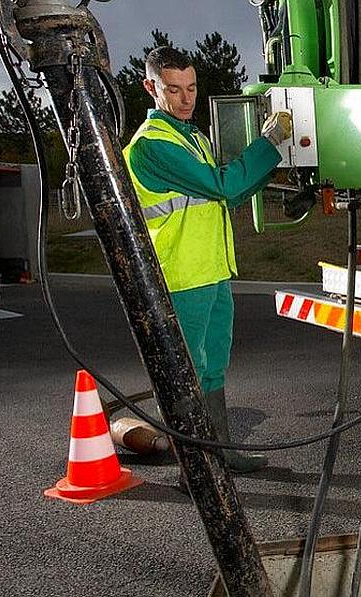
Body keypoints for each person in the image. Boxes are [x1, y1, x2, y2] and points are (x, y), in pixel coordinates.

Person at [122, 46, 292, 474]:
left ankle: (221, 455)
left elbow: (230, 192)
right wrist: (269, 143)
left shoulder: (192, 137)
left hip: (212, 270)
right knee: (189, 372)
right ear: (151, 88)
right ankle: (195, 471)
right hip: (180, 276)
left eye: (192, 87)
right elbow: (222, 182)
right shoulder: (154, 145)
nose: (186, 98)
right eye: (174, 89)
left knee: (213, 367)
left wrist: (270, 167)